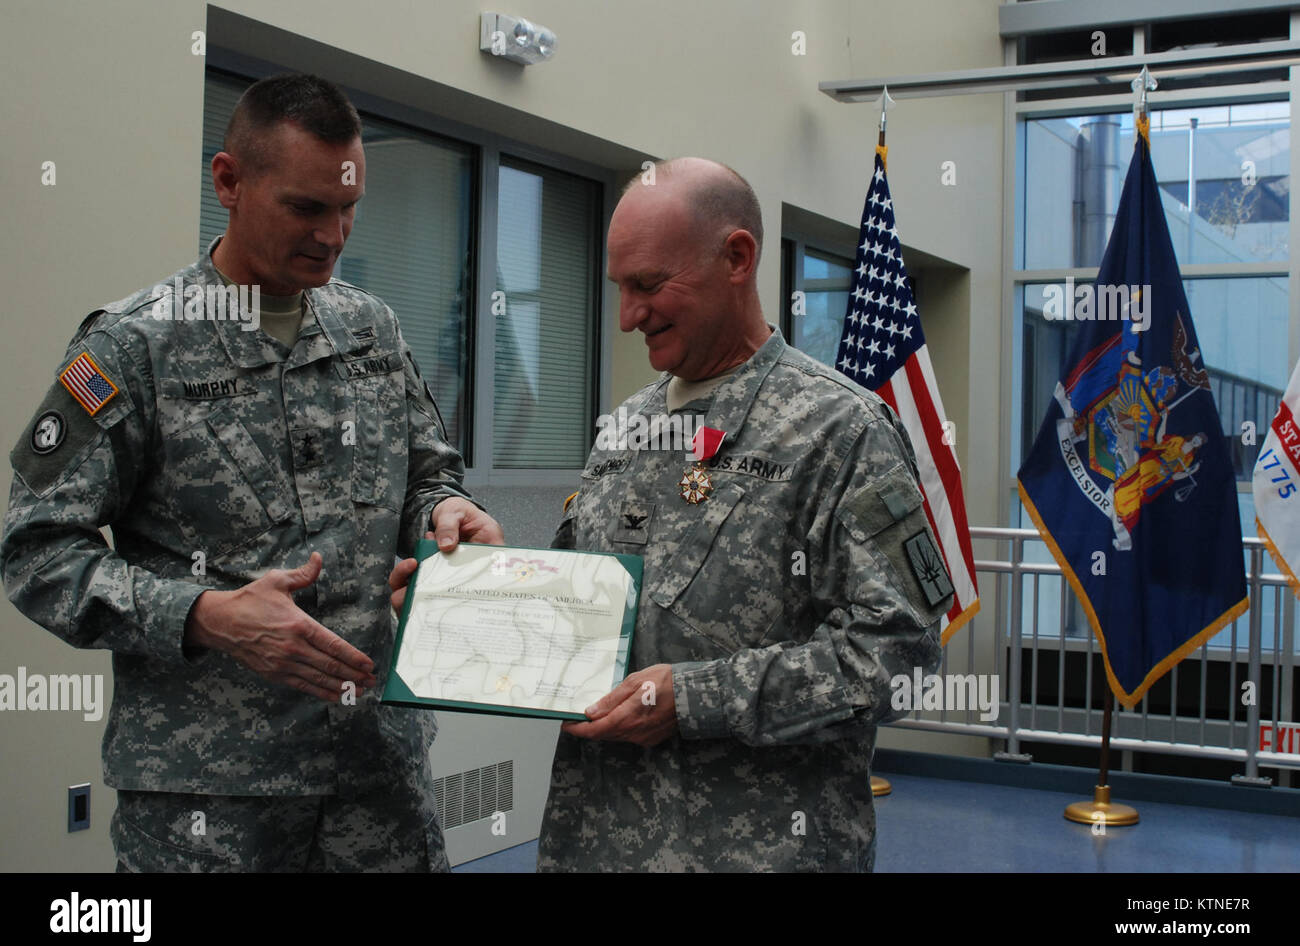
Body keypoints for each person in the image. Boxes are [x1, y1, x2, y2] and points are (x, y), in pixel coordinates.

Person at [2, 73, 502, 872]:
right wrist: (206, 615)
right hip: (211, 800)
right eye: (307, 208)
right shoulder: (134, 347)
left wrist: (446, 515)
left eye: (349, 210)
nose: (333, 236)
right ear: (229, 182)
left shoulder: (371, 329)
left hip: (375, 777)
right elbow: (34, 551)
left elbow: (428, 476)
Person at [497, 157, 946, 871]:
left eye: (648, 286)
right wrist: (456, 592)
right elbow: (578, 604)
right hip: (596, 845)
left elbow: (901, 658)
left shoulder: (843, 431)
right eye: (620, 288)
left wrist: (694, 699)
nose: (627, 317)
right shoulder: (624, 428)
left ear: (737, 257)